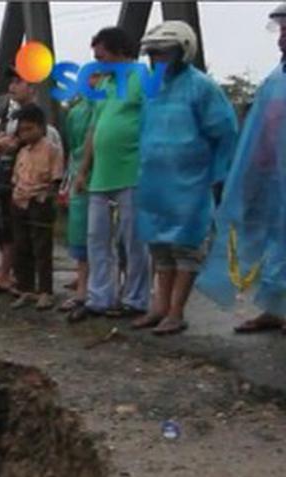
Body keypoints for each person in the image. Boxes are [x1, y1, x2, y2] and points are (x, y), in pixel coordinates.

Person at [132, 21, 238, 335]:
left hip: (190, 183)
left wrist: (218, 176)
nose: (157, 60)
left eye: (163, 53)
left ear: (183, 51)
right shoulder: (153, 88)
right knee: (160, 248)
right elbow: (144, 131)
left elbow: (226, 132)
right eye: (153, 54)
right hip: (155, 181)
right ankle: (159, 307)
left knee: (186, 248)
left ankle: (177, 312)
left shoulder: (201, 87)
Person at [197, 2, 286, 333]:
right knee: (274, 241)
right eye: (281, 31)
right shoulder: (274, 80)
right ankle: (274, 308)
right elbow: (261, 129)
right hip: (273, 177)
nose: (281, 38)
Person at [69, 27, 151, 323]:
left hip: (132, 171)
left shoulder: (142, 78)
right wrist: (83, 170)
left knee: (133, 239)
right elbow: (94, 128)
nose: (97, 61)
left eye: (101, 55)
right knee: (96, 237)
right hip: (101, 174)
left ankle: (135, 298)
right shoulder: (104, 83)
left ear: (118, 51)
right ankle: (99, 297)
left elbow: (151, 121)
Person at [0, 69, 62, 296]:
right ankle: (18, 282)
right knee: (14, 238)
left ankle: (42, 289)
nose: (12, 87)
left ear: (33, 88)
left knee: (39, 245)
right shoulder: (8, 117)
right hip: (14, 188)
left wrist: (49, 194)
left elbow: (55, 169)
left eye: (19, 82)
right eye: (11, 82)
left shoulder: (48, 136)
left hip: (37, 196)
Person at [10, 104, 64, 311]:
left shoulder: (52, 150)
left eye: (29, 129)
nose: (25, 134)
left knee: (41, 248)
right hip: (20, 201)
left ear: (41, 128)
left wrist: (46, 197)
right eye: (22, 130)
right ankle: (26, 289)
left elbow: (56, 178)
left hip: (39, 202)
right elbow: (16, 178)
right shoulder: (22, 152)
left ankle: (45, 292)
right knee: (21, 247)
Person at [58, 73, 101, 312]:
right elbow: (75, 147)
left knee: (96, 236)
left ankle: (90, 287)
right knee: (84, 236)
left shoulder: (93, 108)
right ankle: (85, 286)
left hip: (95, 176)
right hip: (85, 178)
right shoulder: (78, 112)